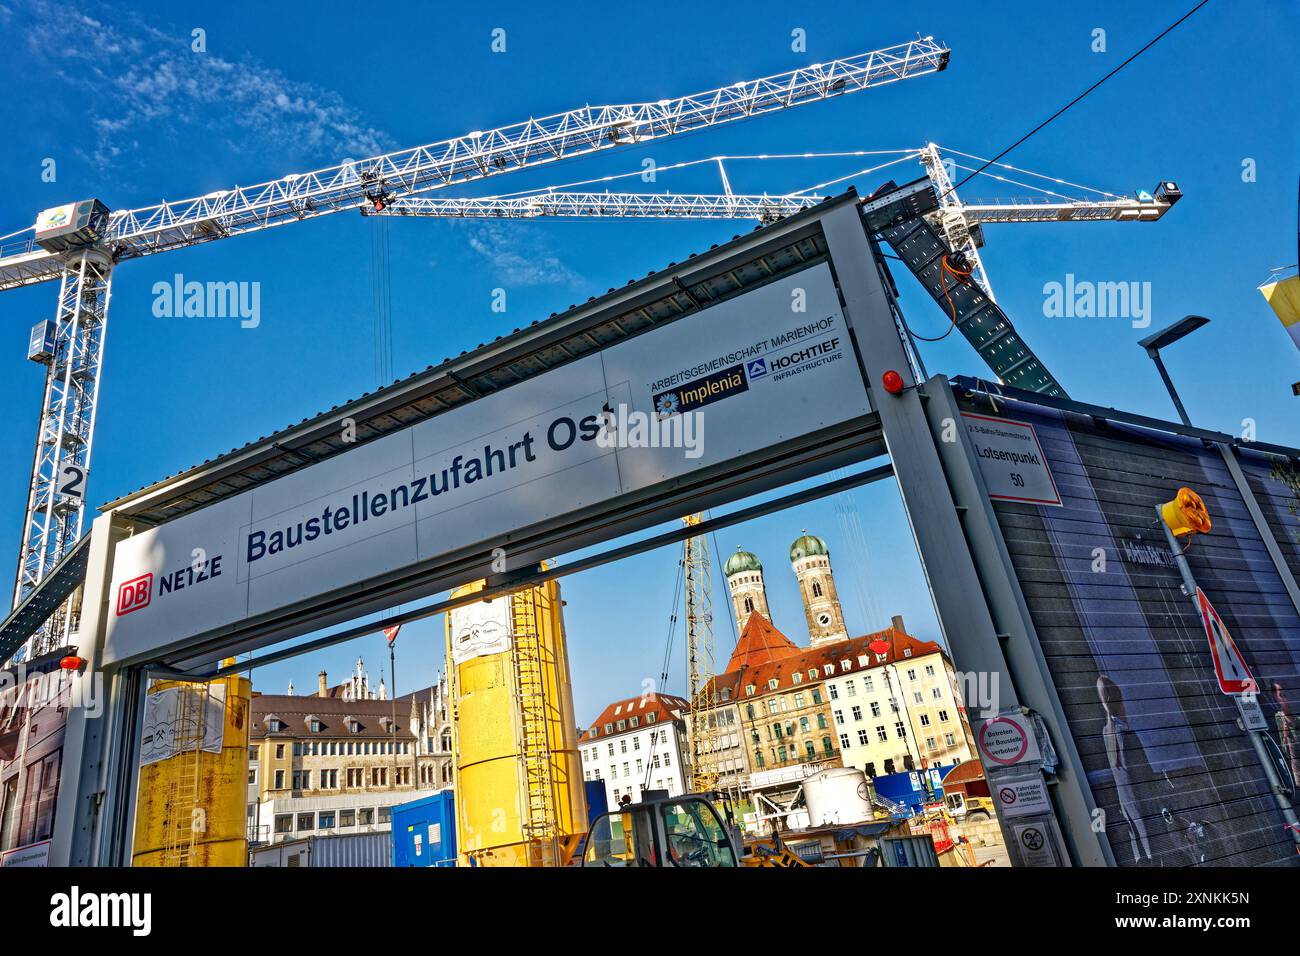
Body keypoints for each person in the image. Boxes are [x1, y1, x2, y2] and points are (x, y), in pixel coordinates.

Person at [1097, 675, 1154, 865]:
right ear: (1120, 702)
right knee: (1154, 848)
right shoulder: (1124, 733)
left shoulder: (1107, 731)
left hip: (1127, 803)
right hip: (1142, 801)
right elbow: (1142, 773)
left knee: (1140, 849)